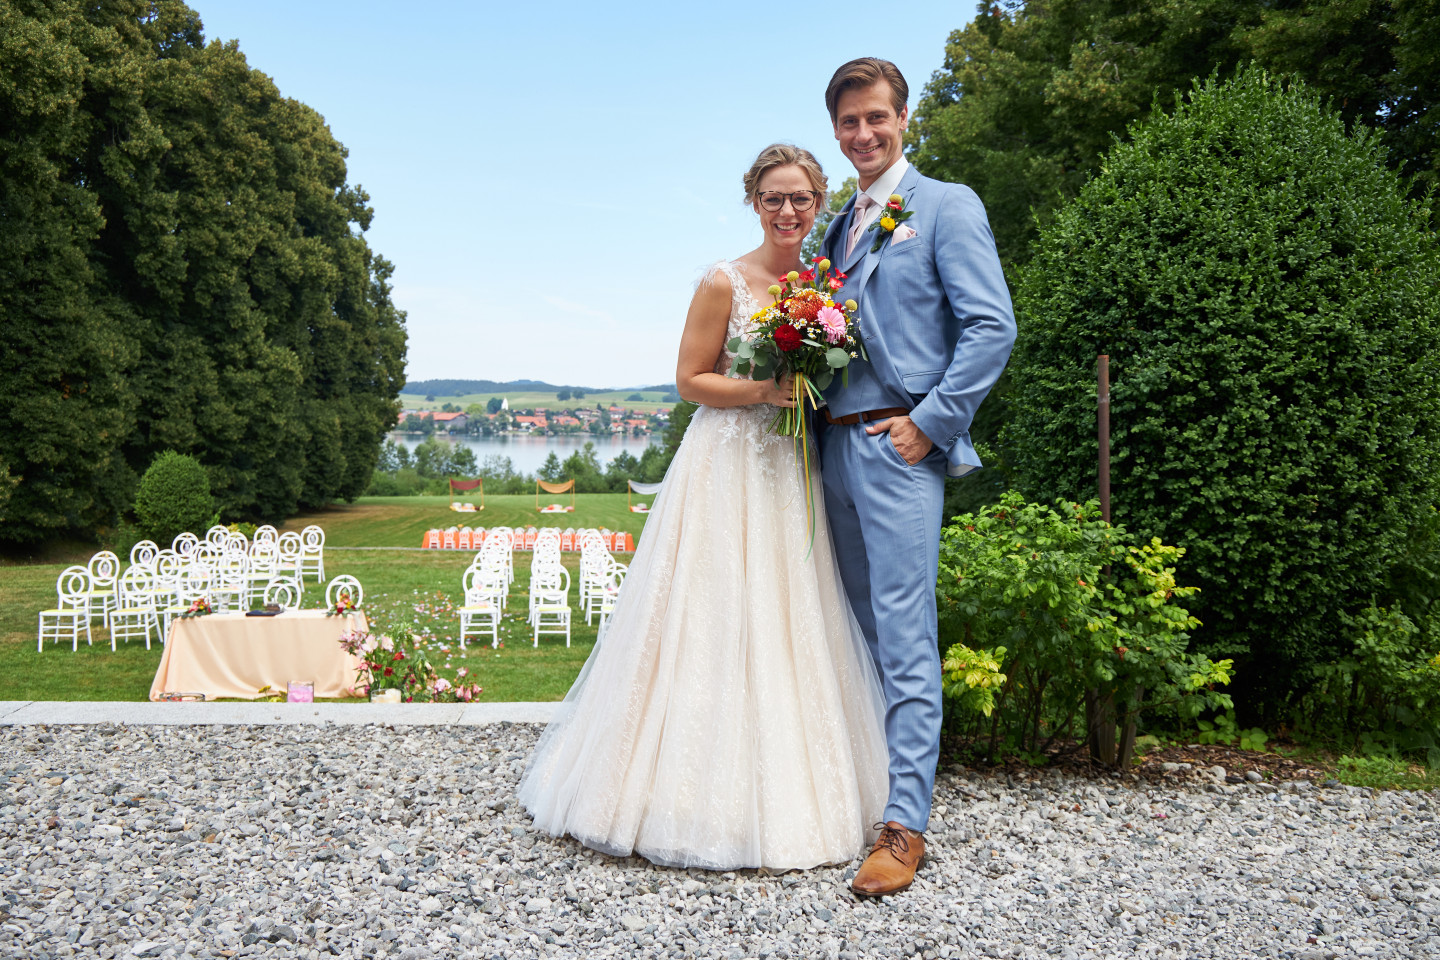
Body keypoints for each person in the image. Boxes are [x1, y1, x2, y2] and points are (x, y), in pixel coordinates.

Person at [518, 143, 888, 871]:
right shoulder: (725, 281)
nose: (788, 211)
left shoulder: (826, 285)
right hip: (725, 461)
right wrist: (764, 391)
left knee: (789, 612)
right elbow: (689, 379)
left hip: (790, 467)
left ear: (819, 205)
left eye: (802, 199)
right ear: (754, 201)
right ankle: (676, 794)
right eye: (774, 198)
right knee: (711, 612)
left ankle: (794, 790)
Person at [817, 58, 1016, 896]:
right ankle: (854, 788)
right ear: (836, 130)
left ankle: (905, 828)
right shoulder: (836, 227)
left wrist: (929, 423)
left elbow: (991, 327)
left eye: (877, 118)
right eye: (849, 122)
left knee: (903, 638)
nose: (864, 134)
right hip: (829, 452)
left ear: (904, 119)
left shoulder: (944, 205)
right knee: (848, 628)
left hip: (898, 452)